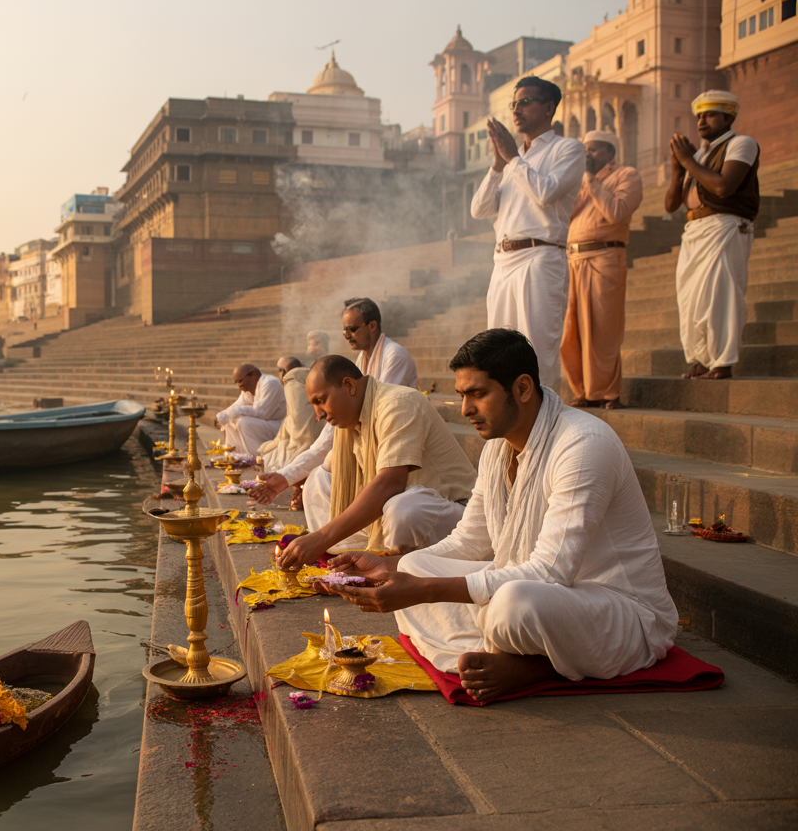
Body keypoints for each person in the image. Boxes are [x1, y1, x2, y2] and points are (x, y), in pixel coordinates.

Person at [321, 329, 678, 702]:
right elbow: (470, 541)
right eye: (462, 395)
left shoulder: (585, 445)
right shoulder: (497, 446)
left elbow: (549, 573)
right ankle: (498, 655)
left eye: (478, 393)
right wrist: (390, 567)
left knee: (512, 605)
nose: (465, 409)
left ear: (522, 388)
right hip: (541, 593)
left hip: (619, 611)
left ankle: (532, 666)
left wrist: (423, 591)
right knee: (416, 566)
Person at [276, 355, 476, 564]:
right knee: (318, 479)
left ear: (349, 386)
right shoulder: (351, 421)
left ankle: (393, 570)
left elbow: (390, 482)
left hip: (453, 514)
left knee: (404, 509)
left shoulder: (398, 403)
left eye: (321, 400)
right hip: (398, 511)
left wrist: (321, 537)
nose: (318, 414)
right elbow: (327, 464)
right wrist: (294, 479)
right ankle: (346, 555)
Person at [252, 298, 418, 533]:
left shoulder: (395, 355)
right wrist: (285, 477)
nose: (347, 335)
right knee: (320, 474)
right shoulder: (363, 359)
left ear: (372, 325)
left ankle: (338, 539)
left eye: (352, 328)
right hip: (367, 436)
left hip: (395, 442)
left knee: (328, 467)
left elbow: (380, 408)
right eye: (344, 330)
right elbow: (325, 442)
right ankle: (336, 545)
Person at [471, 77, 584, 390]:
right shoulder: (510, 160)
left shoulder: (568, 149)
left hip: (540, 258)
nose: (516, 109)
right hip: (503, 262)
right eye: (514, 104)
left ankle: (545, 433)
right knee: (498, 352)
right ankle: (510, 431)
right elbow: (479, 210)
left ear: (548, 107)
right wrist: (497, 166)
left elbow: (546, 192)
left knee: (536, 354)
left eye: (525, 101)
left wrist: (513, 159)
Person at [664, 90, 760, 380]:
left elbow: (722, 188)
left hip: (725, 226)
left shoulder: (741, 143)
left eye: (710, 115)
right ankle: (700, 360)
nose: (702, 121)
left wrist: (688, 160)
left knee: (720, 295)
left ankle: (722, 362)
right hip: (694, 230)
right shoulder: (699, 154)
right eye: (699, 116)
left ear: (728, 117)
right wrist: (676, 169)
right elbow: (670, 205)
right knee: (691, 299)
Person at [559, 131, 643, 410]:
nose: (588, 155)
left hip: (606, 256)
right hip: (572, 260)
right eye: (586, 150)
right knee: (571, 331)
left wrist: (591, 180)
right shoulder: (579, 180)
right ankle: (583, 391)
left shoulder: (627, 175)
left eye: (594, 150)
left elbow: (617, 212)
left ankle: (607, 393)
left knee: (603, 330)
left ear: (610, 152)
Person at [256, 357, 324, 473]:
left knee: (273, 460)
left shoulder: (292, 382)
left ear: (283, 372)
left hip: (302, 441)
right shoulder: (305, 377)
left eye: (279, 370)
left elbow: (299, 423)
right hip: (315, 434)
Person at [215, 363, 286, 455]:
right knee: (229, 420)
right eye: (236, 382)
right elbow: (237, 405)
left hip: (279, 426)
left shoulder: (270, 383)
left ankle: (256, 456)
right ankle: (234, 454)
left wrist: (235, 412)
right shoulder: (248, 390)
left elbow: (262, 413)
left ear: (252, 375)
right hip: (265, 425)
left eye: (240, 381)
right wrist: (222, 415)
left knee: (244, 422)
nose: (239, 386)